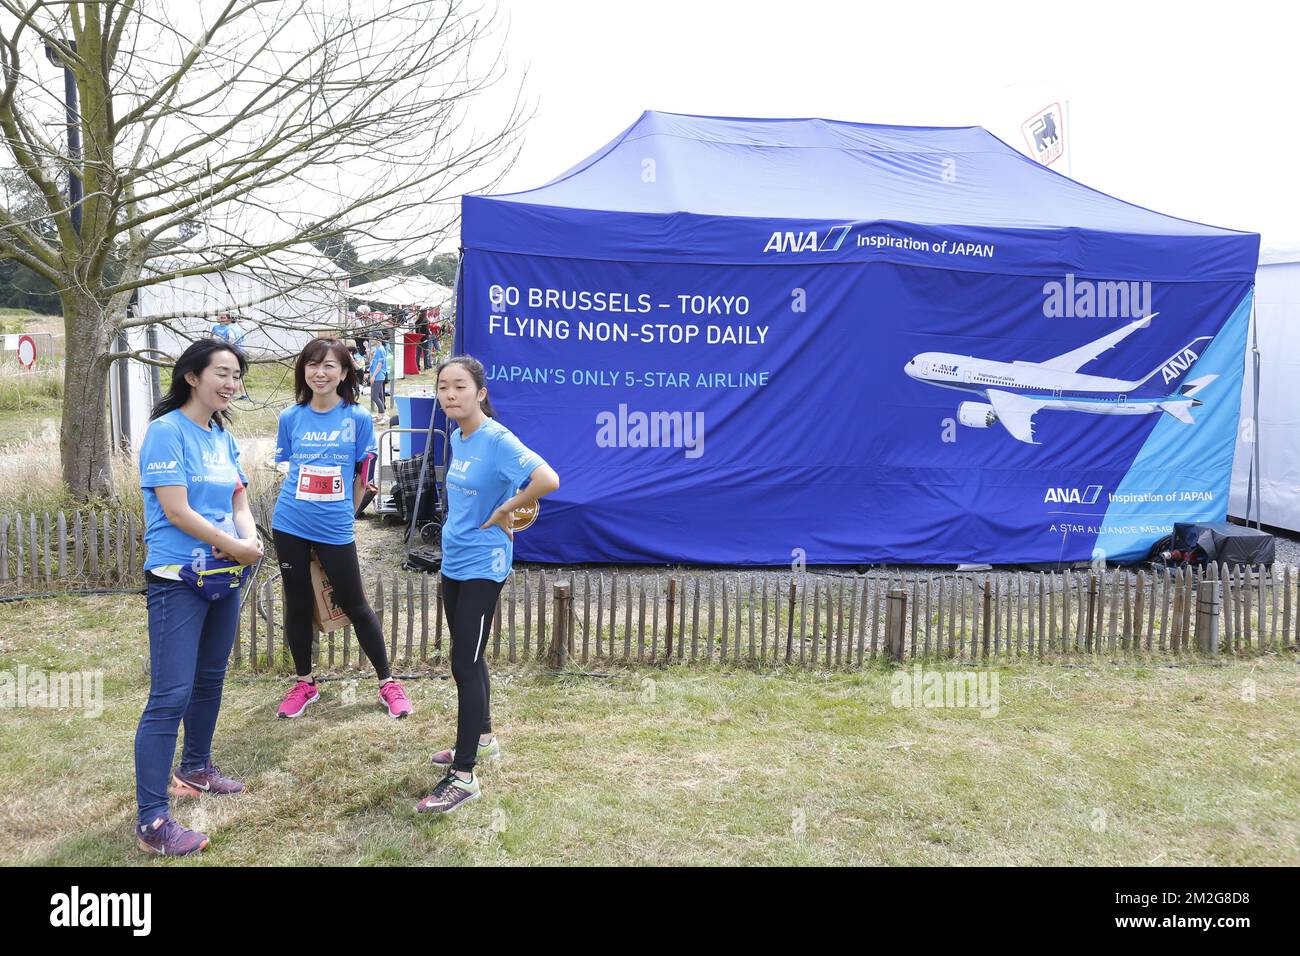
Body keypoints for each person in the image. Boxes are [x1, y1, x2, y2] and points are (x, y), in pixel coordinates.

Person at [135, 339, 264, 856]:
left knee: (210, 679)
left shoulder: (220, 435)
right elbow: (176, 511)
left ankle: (195, 769)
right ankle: (152, 822)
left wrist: (248, 538)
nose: (232, 384)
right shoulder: (166, 433)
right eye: (223, 374)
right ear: (192, 376)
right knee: (170, 695)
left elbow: (239, 496)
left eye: (237, 376)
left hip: (224, 574)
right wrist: (236, 545)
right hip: (178, 579)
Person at [415, 355, 560, 814]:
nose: (450, 395)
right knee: (468, 655)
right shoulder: (459, 437)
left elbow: (547, 479)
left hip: (483, 565)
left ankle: (463, 775)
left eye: (459, 387)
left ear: (480, 393)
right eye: (442, 388)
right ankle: (483, 739)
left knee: (465, 661)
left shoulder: (496, 439)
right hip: (454, 560)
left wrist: (507, 511)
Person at [271, 337, 412, 719]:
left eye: (330, 365)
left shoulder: (358, 417)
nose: (320, 372)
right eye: (313, 364)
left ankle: (387, 683)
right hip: (290, 523)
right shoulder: (291, 417)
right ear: (303, 370)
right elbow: (289, 468)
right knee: (298, 604)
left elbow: (362, 476)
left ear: (346, 372)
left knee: (355, 603)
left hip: (334, 525)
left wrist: (345, 515)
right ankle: (305, 682)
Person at [368, 334, 389, 418]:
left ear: (377, 339)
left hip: (378, 375)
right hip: (377, 375)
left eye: (373, 339)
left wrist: (373, 376)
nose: (371, 341)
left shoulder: (380, 349)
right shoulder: (377, 349)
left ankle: (382, 413)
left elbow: (380, 364)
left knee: (374, 396)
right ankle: (381, 413)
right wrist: (370, 354)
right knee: (379, 395)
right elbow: (372, 362)